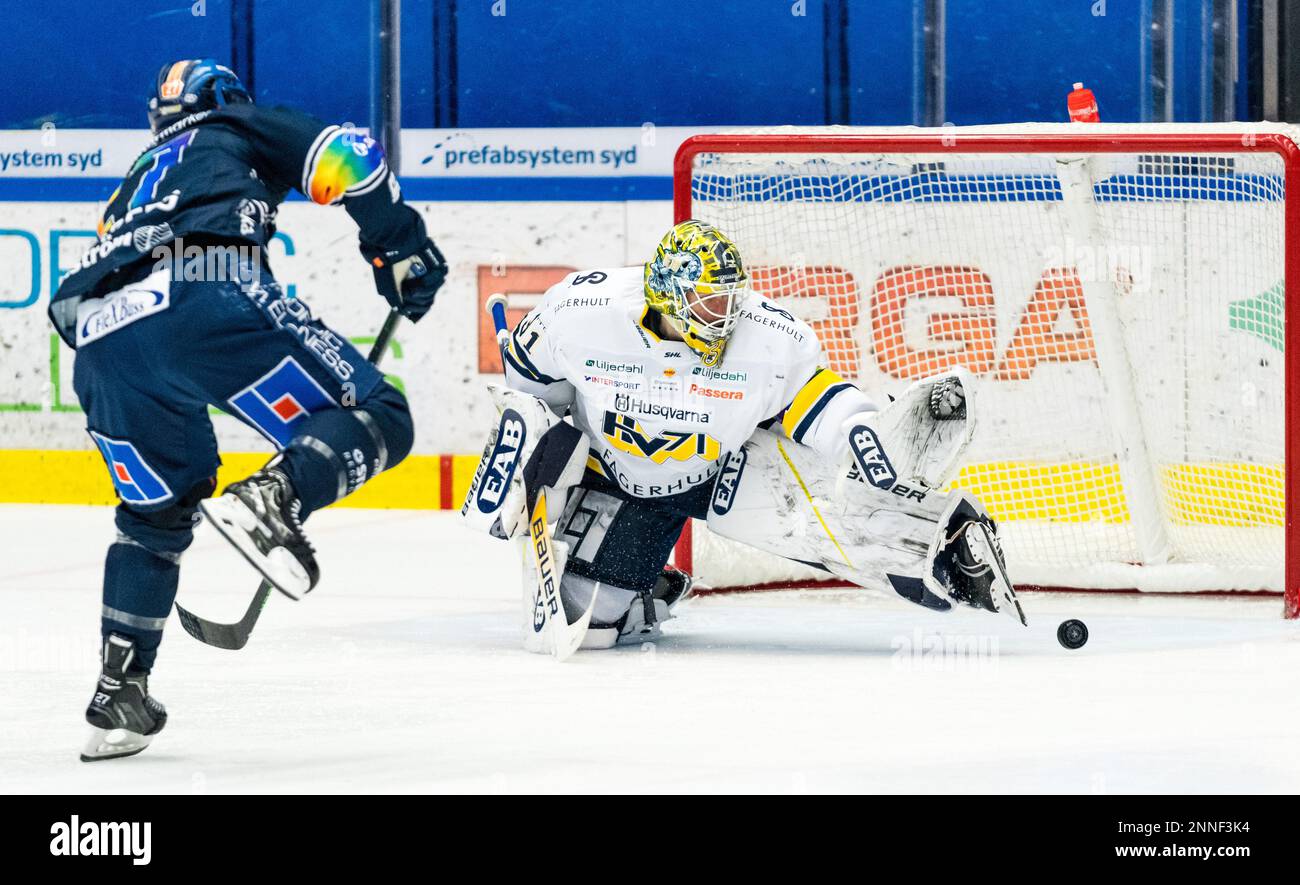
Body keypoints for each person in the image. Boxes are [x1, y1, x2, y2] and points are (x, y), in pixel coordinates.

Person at [49, 60, 447, 760]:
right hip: (204, 290)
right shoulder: (235, 122)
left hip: (101, 337)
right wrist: (400, 242)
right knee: (379, 416)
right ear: (227, 100)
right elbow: (350, 156)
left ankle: (120, 691)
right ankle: (274, 496)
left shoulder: (135, 181)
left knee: (154, 512)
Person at [464, 219, 1023, 654]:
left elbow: (816, 398)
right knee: (592, 628)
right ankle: (647, 589)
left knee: (843, 515)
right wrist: (528, 466)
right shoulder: (581, 311)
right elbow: (531, 390)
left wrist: (860, 431)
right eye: (710, 302)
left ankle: (949, 546)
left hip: (718, 471)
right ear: (667, 297)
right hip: (615, 474)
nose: (726, 316)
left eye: (731, 299)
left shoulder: (768, 337)